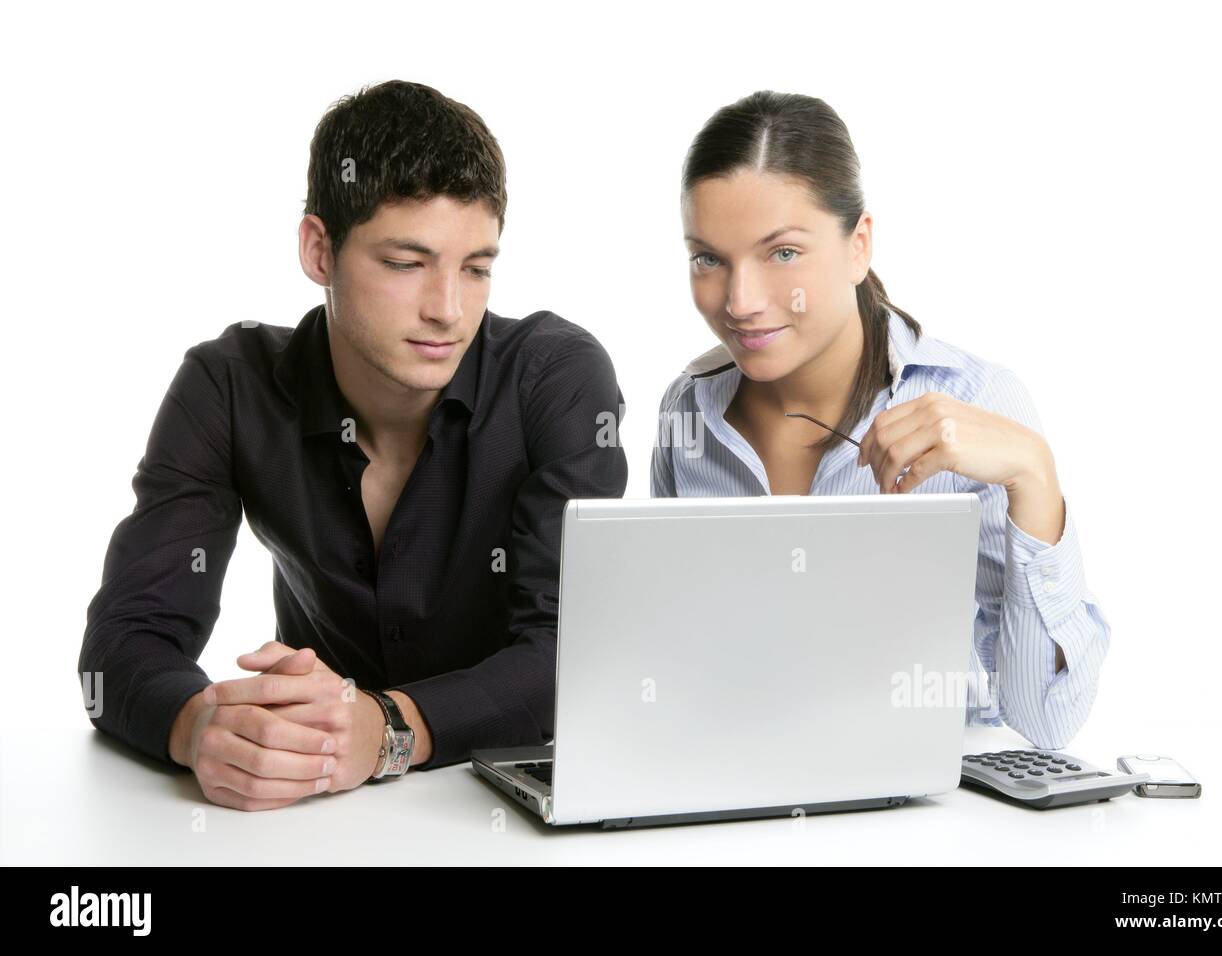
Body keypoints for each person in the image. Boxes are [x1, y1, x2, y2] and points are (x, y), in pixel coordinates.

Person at [78, 79, 628, 810]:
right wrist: (200, 724)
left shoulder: (555, 378)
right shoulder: (228, 385)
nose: (448, 311)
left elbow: (574, 649)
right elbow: (124, 639)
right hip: (313, 820)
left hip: (496, 810)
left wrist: (387, 727)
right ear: (318, 249)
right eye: (406, 264)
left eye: (477, 268)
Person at [651, 90, 1109, 750]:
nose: (741, 302)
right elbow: (678, 664)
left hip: (922, 821)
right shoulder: (688, 412)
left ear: (858, 245)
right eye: (708, 258)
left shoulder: (979, 401)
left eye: (782, 253)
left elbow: (1045, 720)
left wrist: (1034, 476)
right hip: (741, 793)